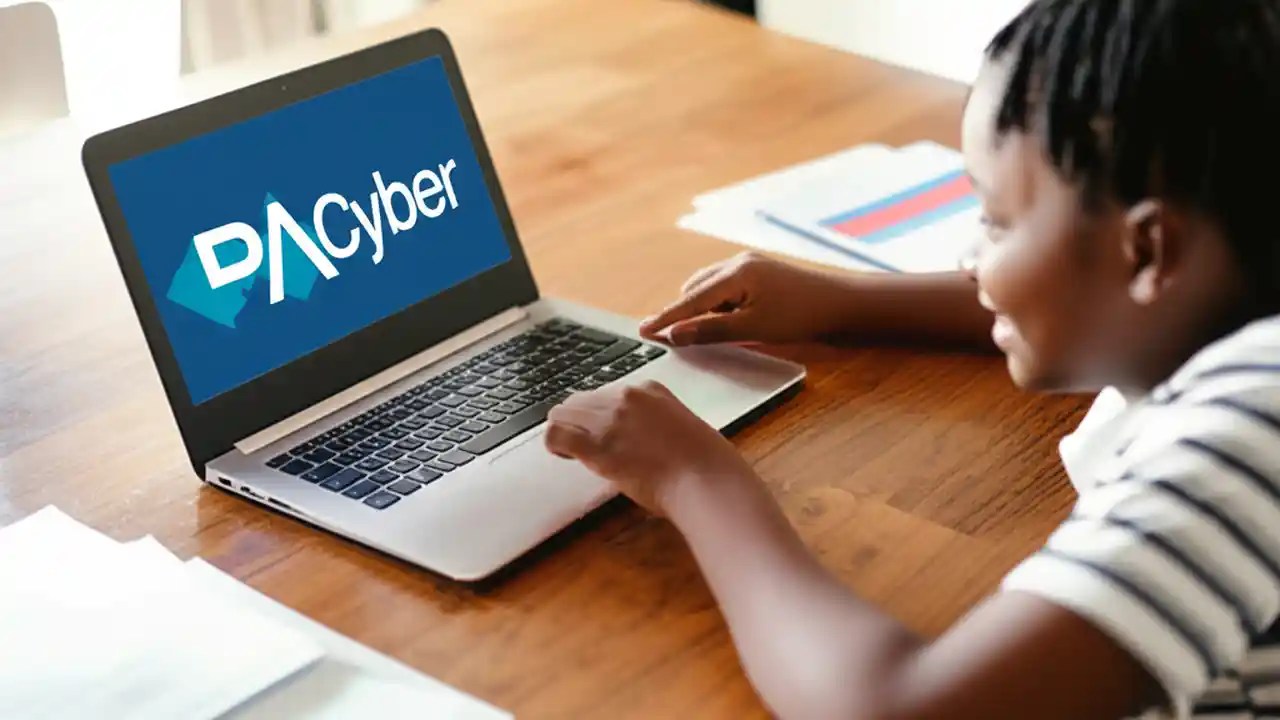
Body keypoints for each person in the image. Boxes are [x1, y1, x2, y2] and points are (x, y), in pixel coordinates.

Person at [542, 1, 1280, 718]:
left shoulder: (1251, 433)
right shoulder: (1234, 296)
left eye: (995, 222)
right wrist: (844, 302)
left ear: (1150, 249)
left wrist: (693, 476)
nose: (973, 258)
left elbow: (899, 708)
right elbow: (1092, 291)